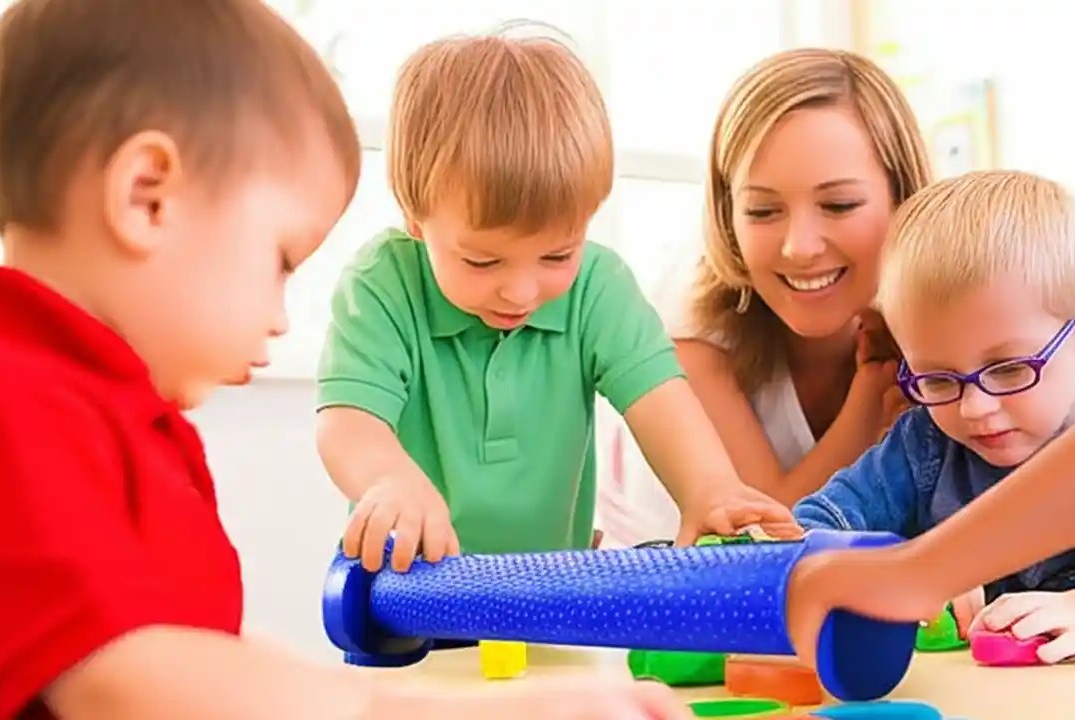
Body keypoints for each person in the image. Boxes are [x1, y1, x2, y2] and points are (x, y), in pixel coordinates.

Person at [0, 2, 693, 718]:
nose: (279, 317)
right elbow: (125, 680)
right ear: (148, 198)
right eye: (279, 260)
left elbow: (204, 659)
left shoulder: (82, 414)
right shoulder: (6, 407)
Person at [784, 0, 1075, 672]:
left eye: (1008, 370)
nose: (975, 407)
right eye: (937, 379)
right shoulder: (928, 447)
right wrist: (892, 570)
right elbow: (817, 526)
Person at [315, 32, 797, 574]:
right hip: (409, 592)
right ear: (414, 217)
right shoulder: (382, 285)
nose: (521, 292)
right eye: (482, 261)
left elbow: (661, 400)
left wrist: (710, 489)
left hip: (546, 595)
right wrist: (389, 480)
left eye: (556, 255)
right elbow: (348, 421)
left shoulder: (598, 285)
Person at [655, 49, 934, 519]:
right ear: (728, 216)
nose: (798, 247)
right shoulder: (693, 339)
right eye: (763, 211)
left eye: (839, 205)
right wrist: (871, 393)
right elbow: (771, 529)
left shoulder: (953, 321)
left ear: (902, 199)